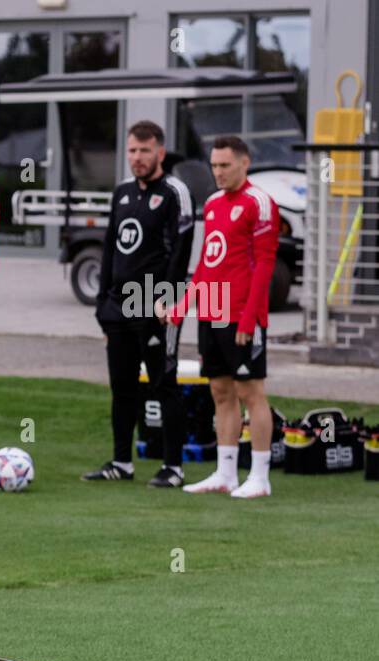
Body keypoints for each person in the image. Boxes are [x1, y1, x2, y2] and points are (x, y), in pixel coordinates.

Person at [82, 120, 194, 487]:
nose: (137, 157)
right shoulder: (122, 193)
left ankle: (173, 467)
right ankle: (121, 463)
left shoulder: (176, 191)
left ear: (159, 153)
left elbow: (180, 251)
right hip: (118, 307)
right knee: (122, 387)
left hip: (155, 304)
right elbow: (111, 246)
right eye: (132, 150)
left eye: (145, 151)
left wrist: (167, 299)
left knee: (164, 384)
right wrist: (102, 305)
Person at [166, 135, 278, 498]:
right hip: (212, 312)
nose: (217, 172)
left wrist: (250, 319)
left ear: (244, 163)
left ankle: (260, 477)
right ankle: (225, 473)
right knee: (219, 390)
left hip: (243, 315)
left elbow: (264, 265)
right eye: (214, 165)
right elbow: (207, 263)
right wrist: (184, 304)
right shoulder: (213, 204)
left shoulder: (259, 203)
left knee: (251, 392)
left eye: (225, 165)